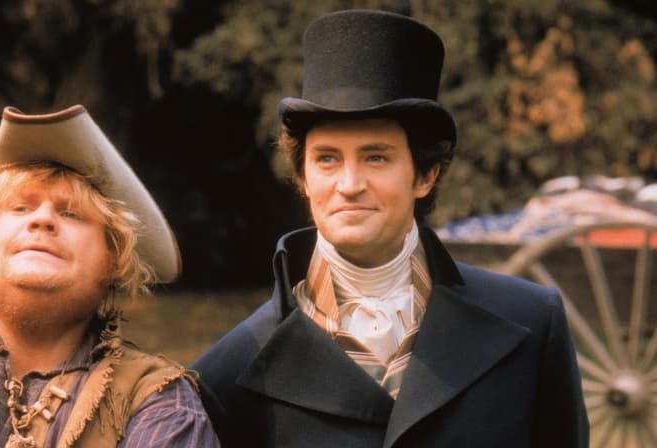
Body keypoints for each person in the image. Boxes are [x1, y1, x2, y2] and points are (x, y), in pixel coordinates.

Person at [191, 9, 588, 447]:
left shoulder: (532, 323)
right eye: (327, 159)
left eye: (376, 157)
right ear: (303, 178)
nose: (349, 185)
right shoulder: (226, 376)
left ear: (425, 175)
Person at [0, 105, 219, 447]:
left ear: (113, 260)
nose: (43, 219)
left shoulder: (161, 400)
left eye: (71, 213)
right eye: (21, 207)